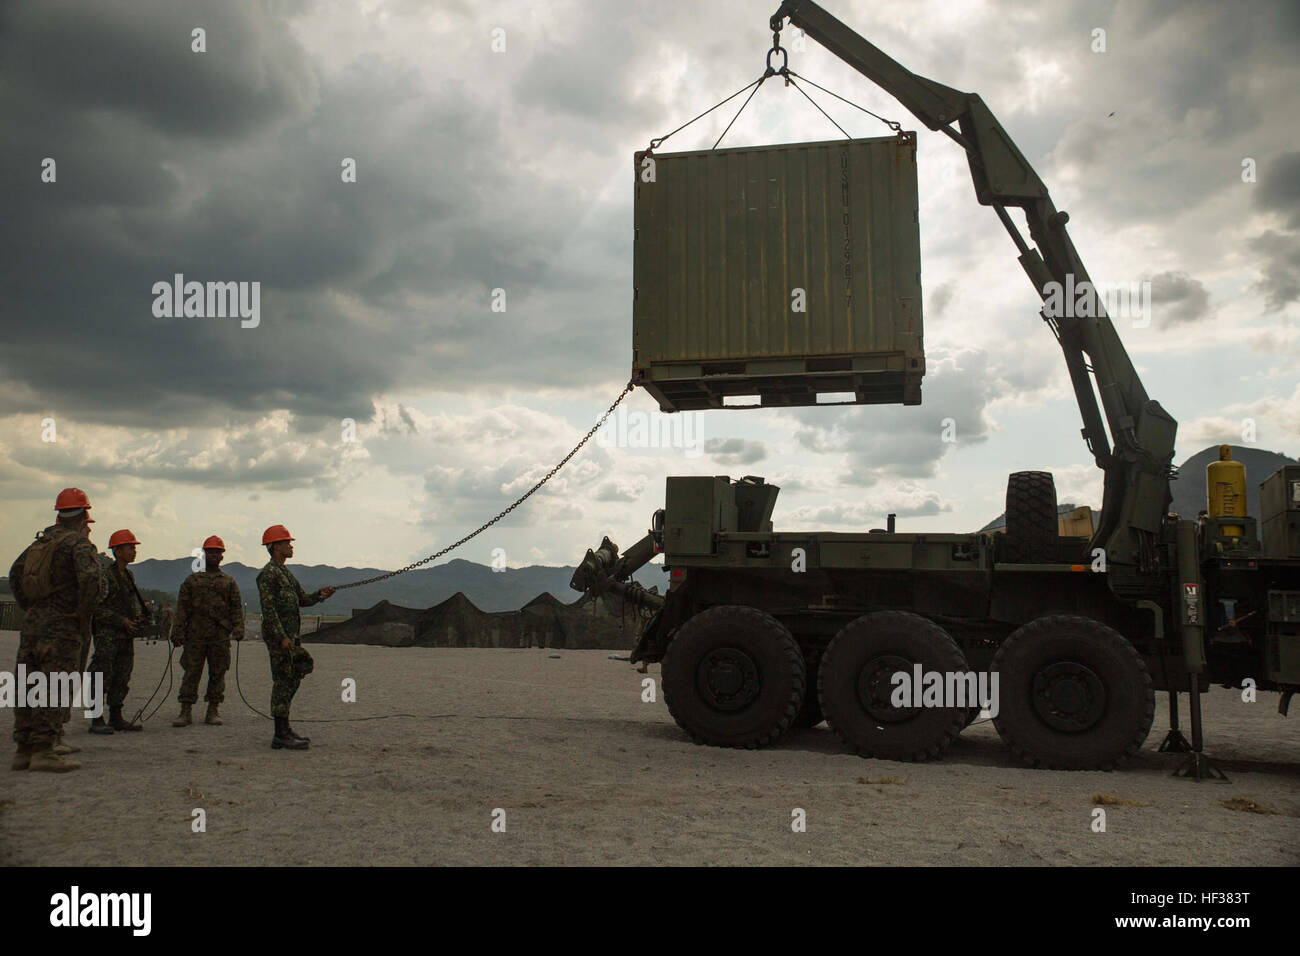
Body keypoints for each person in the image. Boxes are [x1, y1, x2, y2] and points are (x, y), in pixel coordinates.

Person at [9, 489, 102, 772]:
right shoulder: (78, 545)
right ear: (85, 515)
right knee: (55, 685)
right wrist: (81, 614)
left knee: (29, 684)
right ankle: (44, 751)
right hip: (63, 627)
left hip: (34, 627)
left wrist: (32, 607)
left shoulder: (40, 542)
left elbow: (15, 574)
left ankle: (23, 750)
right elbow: (91, 581)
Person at [256, 525, 334, 750]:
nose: (291, 547)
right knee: (283, 680)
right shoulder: (268, 575)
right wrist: (281, 637)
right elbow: (268, 611)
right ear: (276, 547)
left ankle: (285, 729)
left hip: (290, 636)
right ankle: (280, 734)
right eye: (287, 543)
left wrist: (321, 595)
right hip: (280, 638)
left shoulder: (285, 573)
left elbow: (302, 599)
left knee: (293, 677)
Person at [172, 536, 244, 727]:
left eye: (217, 552)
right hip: (194, 636)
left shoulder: (229, 582)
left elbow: (236, 608)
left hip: (219, 637)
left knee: (218, 673)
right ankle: (185, 711)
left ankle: (213, 710)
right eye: (210, 552)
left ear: (222, 556)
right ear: (204, 555)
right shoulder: (192, 581)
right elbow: (182, 609)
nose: (214, 555)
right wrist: (177, 631)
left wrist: (238, 628)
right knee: (191, 673)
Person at [88, 529, 148, 733]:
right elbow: (95, 608)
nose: (134, 551)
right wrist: (120, 620)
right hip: (108, 635)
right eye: (130, 547)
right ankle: (96, 719)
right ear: (117, 551)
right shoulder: (105, 576)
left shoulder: (128, 576)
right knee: (101, 675)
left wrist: (136, 617)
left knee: (122, 675)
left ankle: (115, 716)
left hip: (124, 635)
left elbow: (130, 602)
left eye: (134, 547)